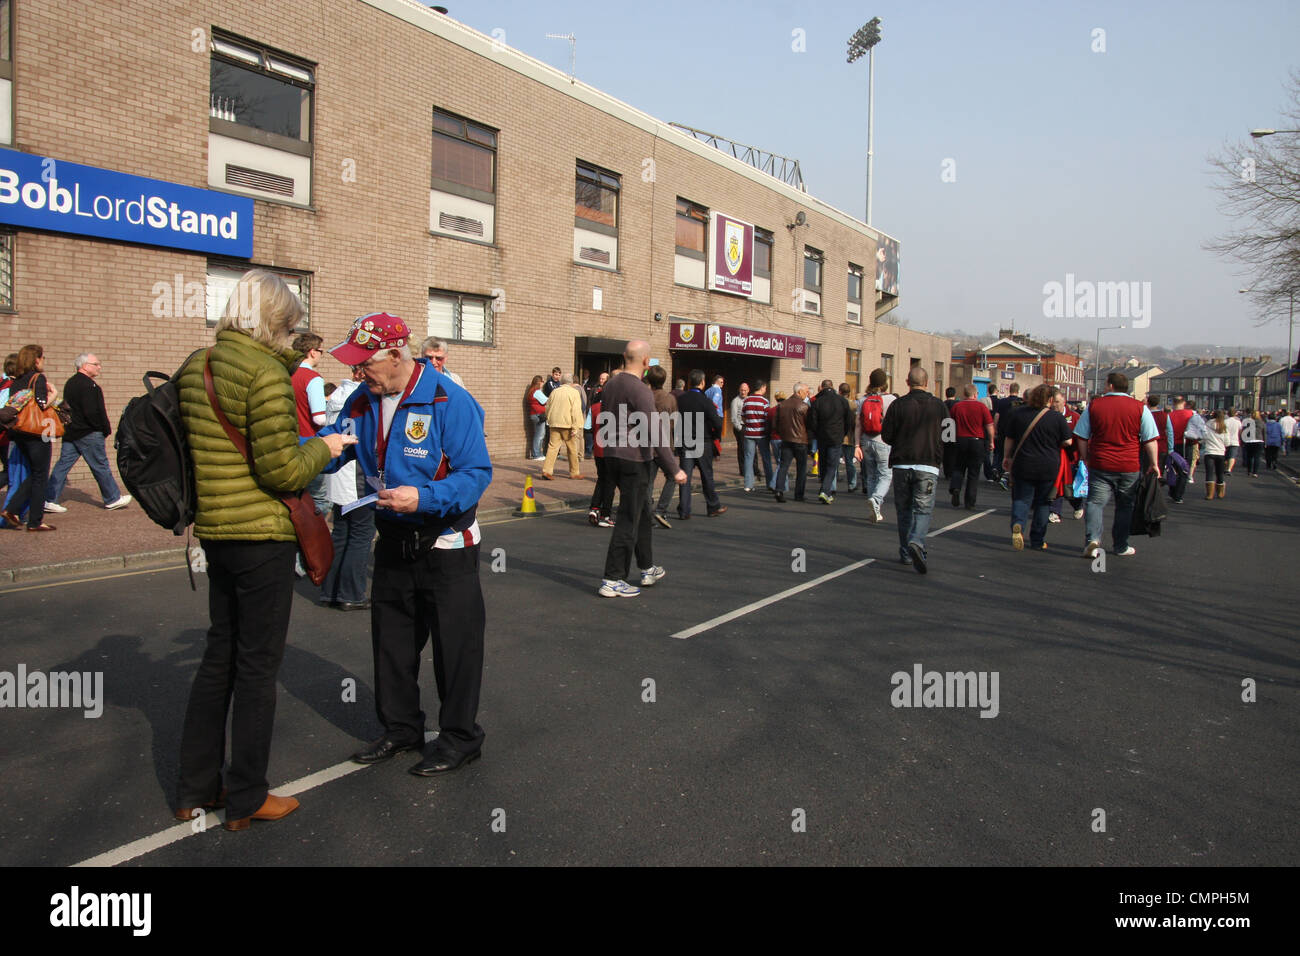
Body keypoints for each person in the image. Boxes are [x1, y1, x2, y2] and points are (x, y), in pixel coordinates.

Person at [173, 270, 355, 830]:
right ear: (276, 321)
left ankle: (195, 788)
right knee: (257, 668)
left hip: (217, 533)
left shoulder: (195, 366)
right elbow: (280, 469)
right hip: (261, 536)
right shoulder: (266, 374)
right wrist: (325, 447)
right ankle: (248, 795)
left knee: (218, 659)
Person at [318, 311, 491, 776]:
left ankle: (459, 738)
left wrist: (425, 497)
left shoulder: (449, 400)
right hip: (392, 535)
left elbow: (477, 474)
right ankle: (401, 728)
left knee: (455, 648)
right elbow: (335, 445)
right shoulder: (363, 397)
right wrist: (308, 453)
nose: (357, 373)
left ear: (396, 355)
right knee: (392, 643)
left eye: (364, 363)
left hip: (446, 540)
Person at [597, 340, 685, 597]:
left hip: (612, 454)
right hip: (634, 460)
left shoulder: (611, 384)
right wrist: (673, 468)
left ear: (625, 357)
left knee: (642, 512)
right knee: (628, 518)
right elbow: (655, 431)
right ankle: (613, 579)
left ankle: (647, 567)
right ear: (646, 362)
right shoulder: (641, 390)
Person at [1072, 372, 1160, 559]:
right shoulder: (1139, 408)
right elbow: (1150, 439)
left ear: (1110, 385)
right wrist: (1154, 463)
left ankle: (1093, 541)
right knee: (1125, 506)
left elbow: (1081, 435)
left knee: (1095, 503)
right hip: (1129, 465)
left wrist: (1085, 457)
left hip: (1101, 463)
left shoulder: (1094, 406)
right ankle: (1120, 545)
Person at [43, 352, 133, 514]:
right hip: (88, 432)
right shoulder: (89, 386)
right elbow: (92, 412)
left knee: (63, 465)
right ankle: (112, 498)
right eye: (96, 364)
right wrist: (103, 428)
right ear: (85, 366)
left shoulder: (71, 383)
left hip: (72, 432)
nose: (99, 367)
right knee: (100, 464)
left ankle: (50, 498)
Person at [880, 366, 947, 573]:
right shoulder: (940, 406)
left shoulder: (897, 405)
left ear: (908, 382)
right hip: (928, 464)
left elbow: (886, 436)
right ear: (927, 383)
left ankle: (905, 551)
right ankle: (917, 541)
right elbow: (949, 435)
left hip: (901, 464)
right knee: (923, 509)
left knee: (904, 510)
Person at [320, 366, 374, 611]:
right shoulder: (359, 398)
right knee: (361, 535)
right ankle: (351, 593)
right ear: (361, 373)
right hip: (355, 475)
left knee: (341, 533)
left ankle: (330, 590)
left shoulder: (338, 393)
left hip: (337, 475)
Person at [1001, 385, 1073, 551]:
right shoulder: (1056, 418)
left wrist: (1007, 457)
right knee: (1043, 503)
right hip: (1048, 466)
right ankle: (1037, 540)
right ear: (1049, 400)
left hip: (1023, 463)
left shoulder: (1018, 414)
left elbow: (1009, 439)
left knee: (1021, 498)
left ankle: (1018, 524)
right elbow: (1068, 441)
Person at [1, 344, 59, 532]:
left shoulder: (17, 379)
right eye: (42, 358)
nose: (43, 361)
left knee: (35, 473)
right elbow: (42, 405)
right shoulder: (38, 378)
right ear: (36, 359)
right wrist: (55, 394)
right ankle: (35, 521)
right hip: (37, 433)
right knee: (41, 476)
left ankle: (13, 509)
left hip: (19, 432)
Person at [674, 369, 727, 518]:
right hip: (703, 442)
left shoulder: (681, 400)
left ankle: (684, 510)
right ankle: (713, 506)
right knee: (706, 475)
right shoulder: (706, 401)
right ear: (702, 383)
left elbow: (676, 422)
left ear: (690, 382)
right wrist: (715, 436)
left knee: (685, 476)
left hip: (685, 441)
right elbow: (717, 422)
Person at [853, 370, 896, 522]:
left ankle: (875, 510)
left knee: (871, 476)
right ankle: (877, 500)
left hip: (866, 441)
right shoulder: (891, 400)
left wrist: (857, 445)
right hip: (883, 442)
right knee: (885, 474)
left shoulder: (863, 400)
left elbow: (858, 424)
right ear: (885, 382)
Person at [947, 383, 993, 511]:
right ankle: (970, 502)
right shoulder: (981, 407)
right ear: (975, 394)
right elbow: (989, 425)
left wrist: (950, 440)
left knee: (959, 467)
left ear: (964, 394)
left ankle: (956, 488)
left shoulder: (957, 406)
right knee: (973, 473)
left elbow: (950, 423)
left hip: (960, 440)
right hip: (977, 441)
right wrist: (991, 441)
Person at [807, 378, 851, 504]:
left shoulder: (817, 402)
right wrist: (843, 433)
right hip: (836, 436)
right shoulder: (842, 401)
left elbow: (813, 422)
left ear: (822, 387)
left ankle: (825, 490)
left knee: (823, 463)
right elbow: (848, 420)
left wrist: (816, 434)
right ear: (833, 387)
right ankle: (825, 491)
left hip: (822, 437)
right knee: (832, 465)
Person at [646, 364, 679, 528]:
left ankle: (646, 513)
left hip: (647, 445)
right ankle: (661, 510)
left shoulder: (644, 396)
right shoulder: (670, 398)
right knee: (672, 477)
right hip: (665, 445)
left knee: (649, 481)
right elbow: (674, 422)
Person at [539, 374, 585, 479]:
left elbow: (548, 407)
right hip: (567, 424)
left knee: (552, 447)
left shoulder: (554, 392)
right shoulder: (574, 392)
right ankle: (574, 472)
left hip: (554, 423)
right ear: (572, 382)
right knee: (572, 449)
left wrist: (549, 419)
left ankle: (547, 471)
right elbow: (576, 410)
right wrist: (576, 427)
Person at [1048, 390, 1084, 521]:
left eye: (1057, 402)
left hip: (1071, 458)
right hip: (1053, 457)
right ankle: (1055, 511)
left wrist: (1082, 456)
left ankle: (1078, 505)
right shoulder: (1048, 416)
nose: (1054, 405)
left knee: (1070, 488)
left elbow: (1081, 437)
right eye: (1052, 402)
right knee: (1057, 483)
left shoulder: (1074, 417)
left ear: (1064, 402)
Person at [773, 384, 811, 503]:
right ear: (799, 392)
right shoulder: (804, 406)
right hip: (801, 441)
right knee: (801, 468)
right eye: (806, 391)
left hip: (786, 440)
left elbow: (775, 424)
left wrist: (782, 434)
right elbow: (809, 425)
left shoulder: (782, 405)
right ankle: (799, 494)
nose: (807, 393)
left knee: (783, 466)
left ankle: (779, 490)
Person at [741, 380, 773, 493]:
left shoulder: (747, 400)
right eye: (765, 388)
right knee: (766, 459)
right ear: (762, 387)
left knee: (749, 459)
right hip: (761, 434)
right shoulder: (764, 401)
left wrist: (749, 423)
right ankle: (770, 484)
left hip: (749, 433)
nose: (766, 390)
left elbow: (743, 416)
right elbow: (767, 418)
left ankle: (748, 485)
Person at [1200, 411, 1229, 499]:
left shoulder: (1207, 425)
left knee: (1209, 473)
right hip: (1220, 452)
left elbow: (1203, 438)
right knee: (1219, 473)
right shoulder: (1224, 427)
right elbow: (1227, 442)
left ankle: (1210, 494)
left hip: (1209, 451)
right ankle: (1220, 493)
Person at [840, 383, 859, 493]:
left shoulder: (836, 403)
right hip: (849, 437)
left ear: (840, 391)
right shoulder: (853, 405)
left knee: (833, 462)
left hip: (837, 436)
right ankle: (852, 484)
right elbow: (855, 423)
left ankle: (831, 486)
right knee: (849, 462)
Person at [525, 375, 547, 460]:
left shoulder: (532, 391)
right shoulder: (537, 391)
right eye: (542, 381)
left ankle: (538, 453)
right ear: (539, 382)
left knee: (539, 434)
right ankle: (536, 454)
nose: (543, 383)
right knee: (540, 435)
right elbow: (546, 400)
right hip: (539, 415)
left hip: (535, 414)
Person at [729, 383, 749, 477]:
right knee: (742, 450)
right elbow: (733, 418)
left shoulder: (749, 400)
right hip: (740, 427)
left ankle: (754, 469)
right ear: (739, 390)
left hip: (749, 427)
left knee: (751, 449)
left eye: (745, 390)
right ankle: (743, 471)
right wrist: (740, 429)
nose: (743, 392)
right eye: (742, 390)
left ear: (748, 390)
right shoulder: (735, 401)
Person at [1242, 410, 1265, 477]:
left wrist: (1243, 441)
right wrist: (1265, 442)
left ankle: (1249, 471)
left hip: (1249, 441)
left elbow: (1244, 432)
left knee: (1249, 457)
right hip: (1259, 441)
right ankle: (1255, 473)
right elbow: (1264, 433)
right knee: (1257, 458)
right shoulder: (1262, 422)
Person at [1223, 408, 1242, 475]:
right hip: (1235, 441)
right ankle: (1229, 469)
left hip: (1225, 441)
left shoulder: (1225, 421)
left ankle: (1224, 467)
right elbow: (1240, 432)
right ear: (1235, 413)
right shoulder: (1238, 422)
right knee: (1232, 456)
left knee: (1225, 456)